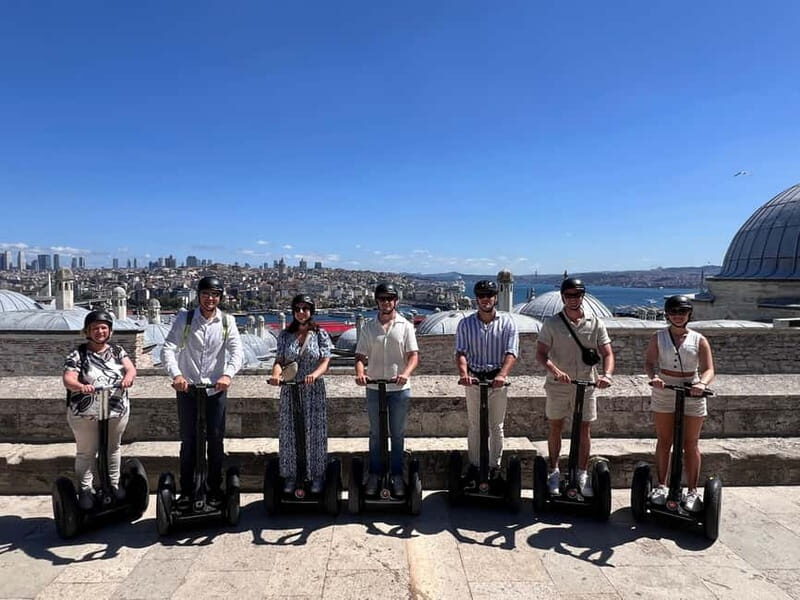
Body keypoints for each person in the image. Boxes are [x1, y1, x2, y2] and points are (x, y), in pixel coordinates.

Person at [162, 276, 244, 506]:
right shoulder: (184, 319)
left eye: (215, 295)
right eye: (206, 294)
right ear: (198, 296)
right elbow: (168, 348)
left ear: (220, 297)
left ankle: (215, 487)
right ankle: (188, 489)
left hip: (215, 389)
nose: (210, 299)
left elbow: (237, 352)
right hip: (188, 388)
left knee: (216, 440)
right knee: (189, 440)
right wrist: (176, 375)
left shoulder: (227, 321)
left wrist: (227, 374)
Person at [536, 278, 614, 497]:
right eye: (569, 295)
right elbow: (541, 354)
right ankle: (554, 470)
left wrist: (607, 376)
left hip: (586, 384)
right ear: (563, 297)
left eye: (577, 295)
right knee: (556, 427)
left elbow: (607, 353)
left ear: (583, 296)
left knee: (584, 429)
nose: (573, 299)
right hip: (558, 385)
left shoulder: (595, 323)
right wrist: (555, 371)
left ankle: (581, 472)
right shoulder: (552, 323)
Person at [644, 294, 715, 512]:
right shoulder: (659, 337)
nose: (678, 316)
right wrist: (654, 377)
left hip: (692, 391)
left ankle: (693, 490)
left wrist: (702, 384)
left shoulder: (699, 339)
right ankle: (662, 485)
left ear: (689, 314)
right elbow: (649, 362)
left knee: (690, 443)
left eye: (682, 312)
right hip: (665, 389)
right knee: (664, 441)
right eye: (674, 312)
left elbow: (709, 369)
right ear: (667, 314)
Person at [63, 310, 137, 509]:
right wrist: (80, 386)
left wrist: (128, 377)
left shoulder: (117, 351)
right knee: (87, 451)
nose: (100, 331)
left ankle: (113, 484)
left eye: (104, 328)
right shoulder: (78, 354)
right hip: (85, 411)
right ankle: (86, 489)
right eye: (95, 328)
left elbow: (130, 368)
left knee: (113, 448)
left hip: (115, 407)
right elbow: (68, 378)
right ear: (87, 331)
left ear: (110, 331)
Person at [355, 282, 419, 497]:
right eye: (382, 298)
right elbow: (360, 356)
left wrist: (405, 374)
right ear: (377, 301)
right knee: (375, 434)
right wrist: (360, 373)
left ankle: (397, 475)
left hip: (399, 389)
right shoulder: (368, 327)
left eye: (390, 298)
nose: (386, 302)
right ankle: (375, 474)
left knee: (397, 435)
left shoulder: (405, 326)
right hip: (374, 387)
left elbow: (413, 356)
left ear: (396, 301)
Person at [455, 280, 519, 480]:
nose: (485, 299)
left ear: (495, 298)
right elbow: (461, 352)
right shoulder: (465, 324)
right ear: (477, 299)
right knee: (475, 425)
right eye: (482, 296)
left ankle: (494, 466)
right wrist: (464, 374)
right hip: (474, 380)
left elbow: (511, 352)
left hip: (497, 381)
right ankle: (474, 465)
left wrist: (502, 375)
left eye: (489, 296)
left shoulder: (508, 323)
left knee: (496, 426)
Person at [268, 294, 333, 494]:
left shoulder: (320, 334)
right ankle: (291, 475)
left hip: (313, 390)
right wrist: (276, 375)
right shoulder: (285, 335)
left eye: (305, 308)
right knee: (289, 433)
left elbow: (325, 361)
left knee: (315, 433)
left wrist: (314, 375)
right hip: (290, 389)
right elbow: (280, 360)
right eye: (297, 309)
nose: (301, 312)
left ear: (311, 311)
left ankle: (316, 476)